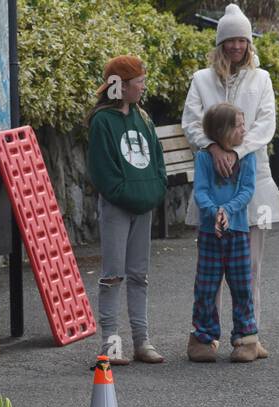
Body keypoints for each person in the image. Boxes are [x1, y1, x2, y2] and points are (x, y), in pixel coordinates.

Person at [182, 3, 279, 357]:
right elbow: (192, 122)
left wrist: (237, 153)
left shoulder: (262, 79)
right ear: (221, 43)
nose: (236, 46)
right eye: (230, 40)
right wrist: (213, 147)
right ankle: (206, 336)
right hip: (213, 179)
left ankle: (248, 335)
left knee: (248, 267)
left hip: (253, 178)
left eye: (242, 40)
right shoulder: (201, 79)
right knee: (210, 271)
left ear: (248, 43)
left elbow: (264, 126)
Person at [86, 55, 168, 365]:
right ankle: (110, 344)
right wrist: (129, 194)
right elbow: (103, 171)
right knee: (112, 275)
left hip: (142, 205)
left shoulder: (142, 117)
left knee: (139, 275)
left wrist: (155, 188)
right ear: (121, 86)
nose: (143, 87)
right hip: (118, 208)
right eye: (138, 83)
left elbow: (156, 158)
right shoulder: (102, 122)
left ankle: (141, 341)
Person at [188, 103, 260, 362]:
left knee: (242, 285)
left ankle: (246, 337)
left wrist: (227, 211)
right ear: (222, 130)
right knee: (206, 286)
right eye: (238, 125)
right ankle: (203, 337)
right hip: (210, 232)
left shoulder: (248, 156)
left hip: (238, 230)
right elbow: (201, 191)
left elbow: (247, 190)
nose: (244, 129)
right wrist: (214, 212)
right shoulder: (204, 158)